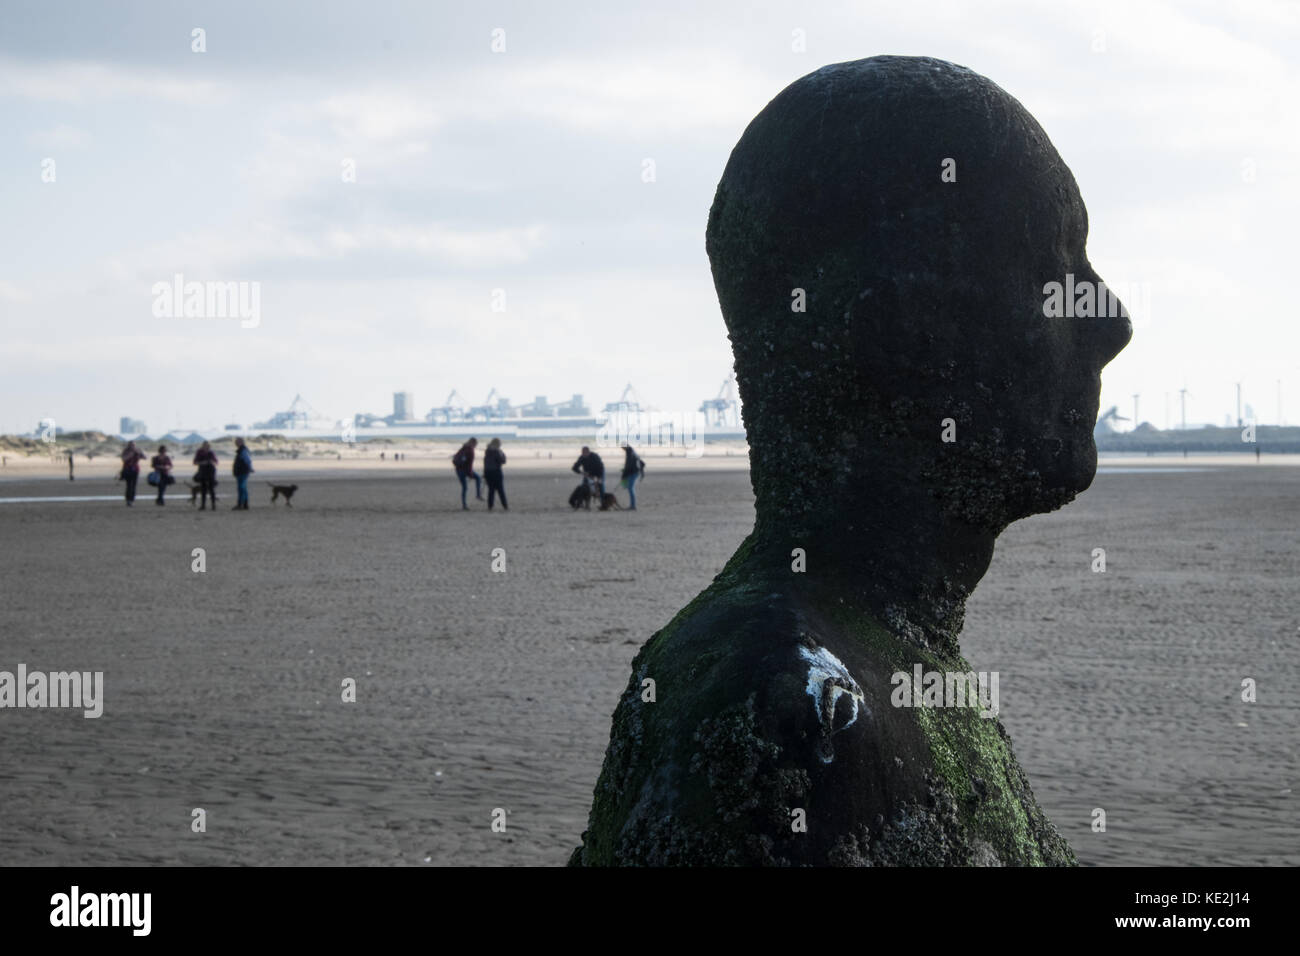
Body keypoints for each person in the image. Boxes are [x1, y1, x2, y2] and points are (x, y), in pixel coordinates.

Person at [571, 56, 1132, 866]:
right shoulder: (790, 708)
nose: (1110, 318)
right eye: (1057, 268)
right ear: (892, 317)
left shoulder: (869, 665)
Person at [452, 438, 481, 509]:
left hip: (459, 470)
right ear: (473, 443)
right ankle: (478, 495)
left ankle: (464, 505)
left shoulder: (463, 448)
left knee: (464, 488)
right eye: (476, 444)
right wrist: (470, 474)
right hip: (465, 470)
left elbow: (456, 457)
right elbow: (469, 464)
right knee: (478, 478)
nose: (476, 446)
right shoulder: (470, 450)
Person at [192, 441, 219, 510]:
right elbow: (195, 462)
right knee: (203, 489)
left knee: (211, 489)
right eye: (205, 445)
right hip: (203, 472)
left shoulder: (211, 452)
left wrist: (211, 462)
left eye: (207, 446)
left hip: (210, 472)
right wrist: (202, 463)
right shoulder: (199, 452)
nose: (206, 447)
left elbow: (216, 462)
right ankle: (203, 505)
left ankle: (213, 505)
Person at [483, 438, 508, 511]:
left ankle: (490, 506)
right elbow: (502, 461)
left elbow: (485, 463)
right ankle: (505, 505)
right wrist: (502, 454)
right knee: (500, 490)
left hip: (488, 472)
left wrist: (484, 473)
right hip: (496, 472)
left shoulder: (487, 451)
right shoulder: (497, 451)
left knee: (491, 490)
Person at [619, 444, 645, 510]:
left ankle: (633, 506)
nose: (622, 449)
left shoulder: (629, 452)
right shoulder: (631, 452)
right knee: (630, 488)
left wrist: (624, 475)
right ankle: (632, 505)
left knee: (630, 488)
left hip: (633, 472)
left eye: (622, 448)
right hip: (634, 472)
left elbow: (628, 465)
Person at [119, 441, 146, 506]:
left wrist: (139, 453)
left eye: (133, 445)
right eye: (131, 445)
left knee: (134, 485)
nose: (132, 446)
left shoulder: (137, 450)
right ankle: (128, 500)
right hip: (127, 469)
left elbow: (144, 457)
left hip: (135, 470)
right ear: (128, 445)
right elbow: (123, 459)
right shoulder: (126, 451)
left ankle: (132, 499)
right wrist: (130, 454)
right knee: (129, 485)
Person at [232, 437, 253, 510]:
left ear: (241, 442)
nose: (235, 443)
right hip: (240, 472)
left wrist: (250, 468)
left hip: (243, 472)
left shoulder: (243, 450)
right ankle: (244, 504)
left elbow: (248, 460)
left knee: (242, 488)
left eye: (237, 442)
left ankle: (241, 504)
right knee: (242, 488)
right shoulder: (241, 450)